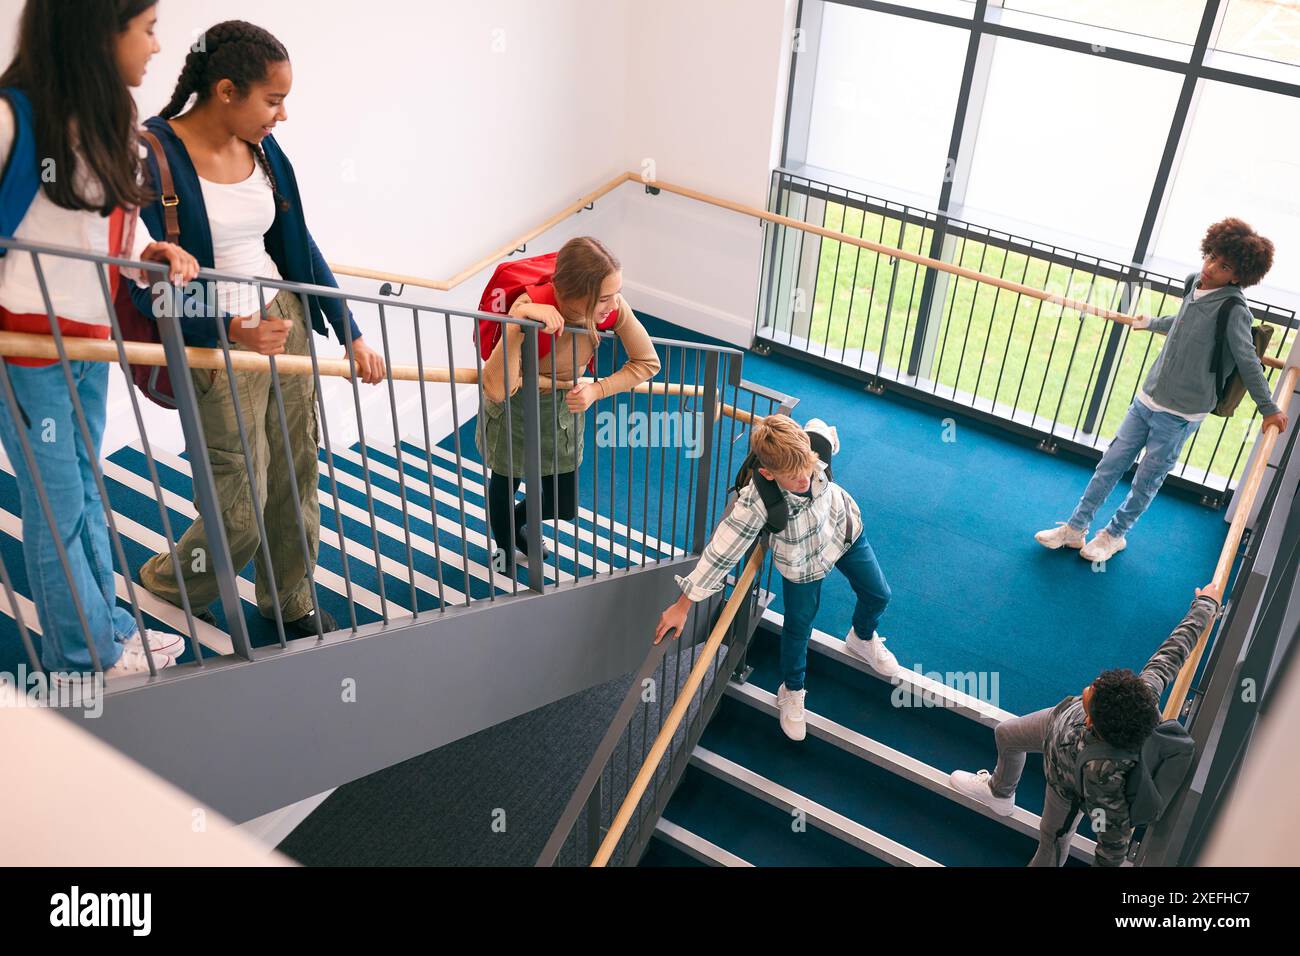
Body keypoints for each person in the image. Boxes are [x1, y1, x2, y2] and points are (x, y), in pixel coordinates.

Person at [132, 20, 385, 638]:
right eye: (273, 100)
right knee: (239, 504)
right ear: (225, 90)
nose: (283, 115)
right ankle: (171, 580)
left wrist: (348, 328)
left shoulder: (264, 151)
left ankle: (288, 598)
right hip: (218, 349)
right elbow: (140, 284)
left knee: (296, 472)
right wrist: (228, 328)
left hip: (284, 321)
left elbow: (297, 243)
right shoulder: (152, 159)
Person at [0, 0, 199, 679]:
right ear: (97, 31)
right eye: (145, 28)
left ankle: (105, 627)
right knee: (55, 507)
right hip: (25, 350)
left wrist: (151, 254)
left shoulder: (116, 126)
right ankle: (81, 656)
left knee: (83, 490)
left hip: (89, 343)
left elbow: (93, 230)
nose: (156, 45)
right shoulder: (12, 118)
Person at [1036, 218, 1287, 562]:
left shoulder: (1234, 311)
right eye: (1211, 256)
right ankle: (1075, 529)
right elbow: (1182, 320)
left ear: (1239, 276)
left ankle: (1114, 535)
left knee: (1146, 480)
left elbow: (1248, 362)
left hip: (1181, 414)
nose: (1211, 267)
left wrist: (1269, 408)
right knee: (1110, 465)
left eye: (1223, 265)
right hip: (1146, 398)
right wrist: (1151, 323)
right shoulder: (1194, 284)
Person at [655, 414, 896, 741]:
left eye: (810, 468)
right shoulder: (756, 501)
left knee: (879, 594)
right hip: (802, 563)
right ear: (768, 473)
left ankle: (862, 636)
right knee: (799, 626)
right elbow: (721, 553)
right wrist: (683, 606)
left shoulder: (813, 448)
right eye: (795, 478)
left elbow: (821, 430)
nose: (807, 479)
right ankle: (791, 690)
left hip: (843, 531)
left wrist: (820, 441)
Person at [949, 583, 1220, 866]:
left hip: (1064, 787)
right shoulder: (1141, 693)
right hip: (1056, 722)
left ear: (1091, 720)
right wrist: (1206, 605)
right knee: (1006, 734)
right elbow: (1173, 651)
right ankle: (1000, 792)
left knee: (1051, 840)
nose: (1089, 687)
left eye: (1091, 694)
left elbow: (1112, 843)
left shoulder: (1103, 776)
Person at [477, 236, 659, 576]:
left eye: (615, 293)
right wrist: (518, 318)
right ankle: (504, 549)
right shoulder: (528, 304)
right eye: (604, 297)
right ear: (576, 293)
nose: (613, 304)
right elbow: (496, 389)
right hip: (514, 411)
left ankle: (518, 524)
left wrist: (597, 391)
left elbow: (647, 363)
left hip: (563, 411)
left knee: (564, 505)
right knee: (505, 481)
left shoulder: (613, 307)